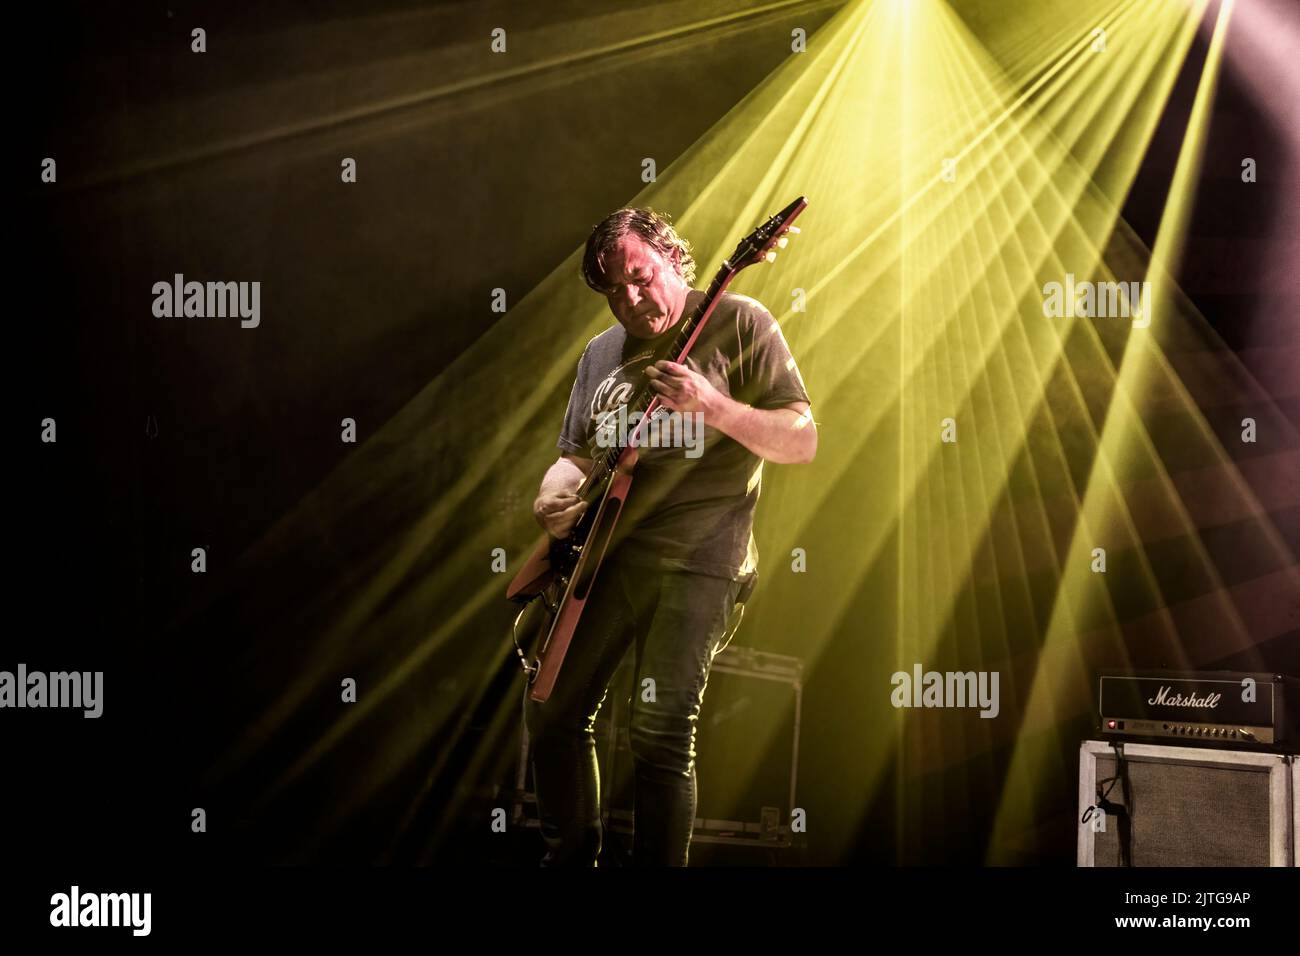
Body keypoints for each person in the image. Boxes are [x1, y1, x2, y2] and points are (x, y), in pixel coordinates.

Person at [525, 206, 816, 866]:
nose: (631, 300)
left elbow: (802, 441)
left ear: (672, 258)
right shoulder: (600, 354)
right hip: (607, 559)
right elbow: (575, 453)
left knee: (658, 733)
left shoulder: (738, 321)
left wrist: (713, 406)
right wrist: (553, 490)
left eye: (641, 277)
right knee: (552, 712)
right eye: (613, 292)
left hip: (702, 561)